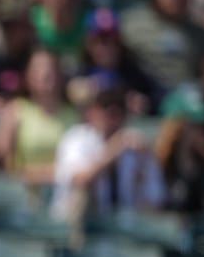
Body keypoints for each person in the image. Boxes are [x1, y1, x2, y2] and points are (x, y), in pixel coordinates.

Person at [51, 83, 165, 220]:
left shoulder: (135, 147)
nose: (112, 118)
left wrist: (142, 167)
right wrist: (113, 150)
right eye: (106, 110)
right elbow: (81, 180)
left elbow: (156, 200)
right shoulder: (78, 138)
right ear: (93, 112)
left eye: (119, 112)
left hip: (121, 229)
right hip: (76, 225)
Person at [0, 49, 78, 187]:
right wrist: (48, 174)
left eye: (50, 67)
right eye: (38, 68)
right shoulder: (15, 110)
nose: (45, 73)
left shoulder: (75, 114)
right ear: (27, 76)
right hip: (25, 191)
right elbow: (3, 164)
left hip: (66, 191)